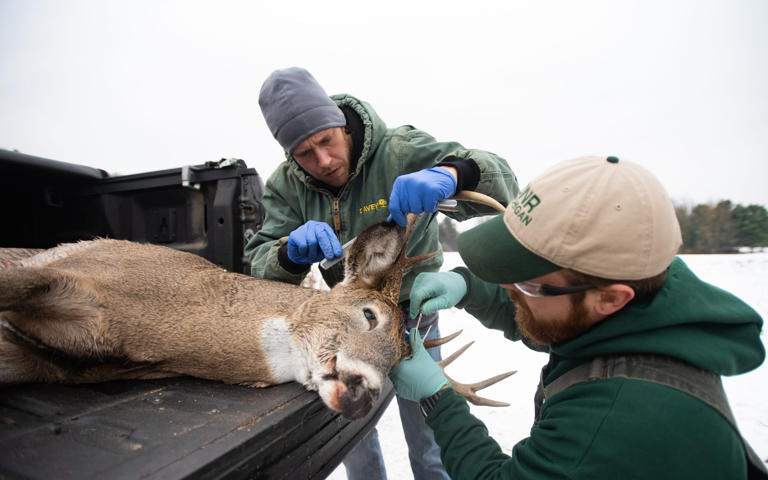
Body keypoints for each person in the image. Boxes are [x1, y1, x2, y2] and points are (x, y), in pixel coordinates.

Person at [390, 155, 768, 479]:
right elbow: (561, 319)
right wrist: (467, 286)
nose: (509, 287)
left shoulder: (613, 425)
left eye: (529, 283)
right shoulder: (646, 307)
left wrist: (435, 398)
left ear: (610, 299)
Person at [244, 67, 519, 480]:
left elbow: (503, 184)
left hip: (414, 318)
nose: (322, 161)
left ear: (339, 122)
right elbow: (259, 261)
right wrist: (289, 254)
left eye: (326, 141)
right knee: (351, 437)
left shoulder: (399, 151)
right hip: (347, 325)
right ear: (289, 155)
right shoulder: (286, 185)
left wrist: (452, 174)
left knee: (429, 442)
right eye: (304, 153)